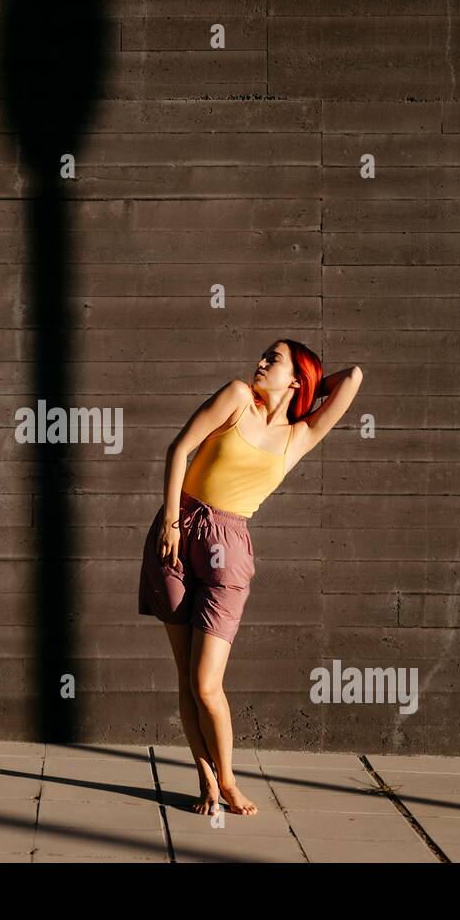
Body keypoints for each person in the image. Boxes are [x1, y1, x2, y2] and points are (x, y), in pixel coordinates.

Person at [139, 339, 363, 815]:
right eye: (263, 355)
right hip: (177, 534)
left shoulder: (299, 436)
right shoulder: (237, 396)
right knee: (185, 679)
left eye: (273, 359)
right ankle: (207, 785)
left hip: (229, 551)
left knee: (206, 685)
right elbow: (179, 449)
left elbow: (353, 378)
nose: (260, 362)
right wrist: (172, 523)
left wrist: (302, 390)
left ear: (297, 377)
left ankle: (229, 780)